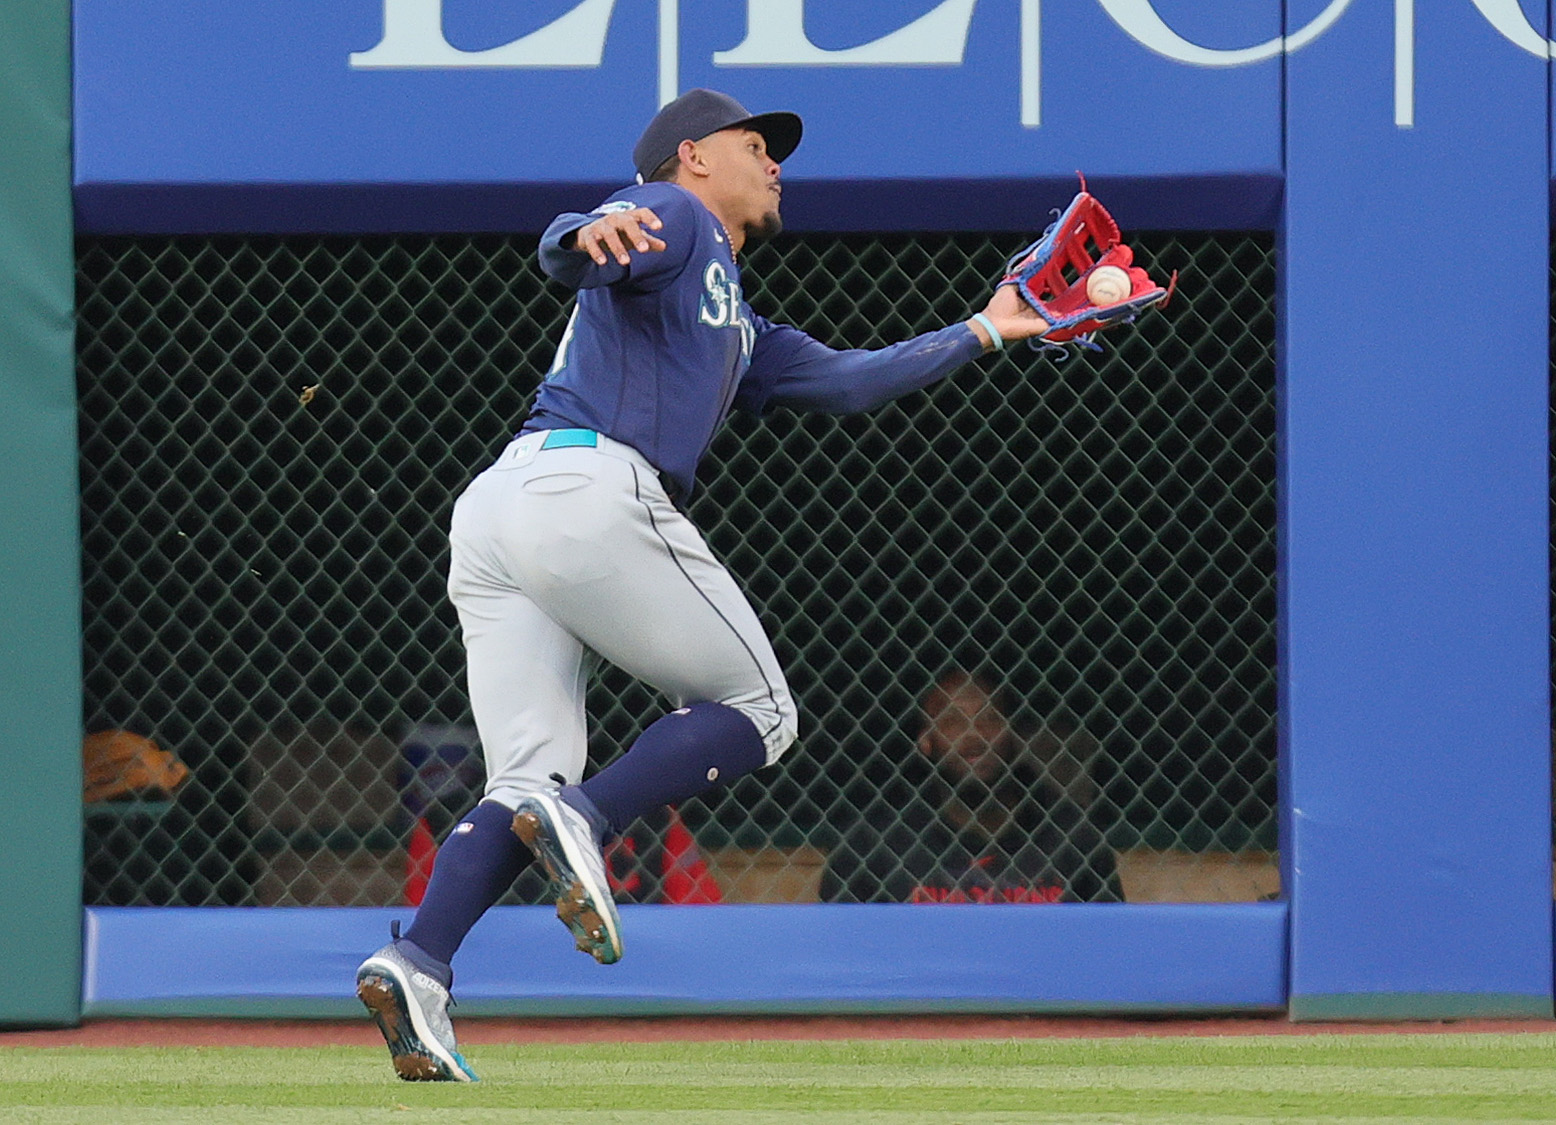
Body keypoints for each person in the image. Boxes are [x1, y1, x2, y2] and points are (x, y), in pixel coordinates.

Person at [354, 87, 1053, 1082]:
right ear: (691, 157)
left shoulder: (733, 316)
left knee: (524, 779)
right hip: (586, 486)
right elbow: (571, 247)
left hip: (500, 509)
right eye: (755, 145)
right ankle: (586, 821)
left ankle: (417, 959)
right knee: (759, 708)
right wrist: (585, 228)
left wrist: (984, 328)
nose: (775, 164)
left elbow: (850, 381)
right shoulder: (675, 218)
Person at [820, 668, 1123, 905]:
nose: (975, 736)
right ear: (925, 741)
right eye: (953, 722)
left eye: (989, 718)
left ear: (1010, 731)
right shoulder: (876, 843)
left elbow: (1109, 946)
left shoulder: (1070, 835)